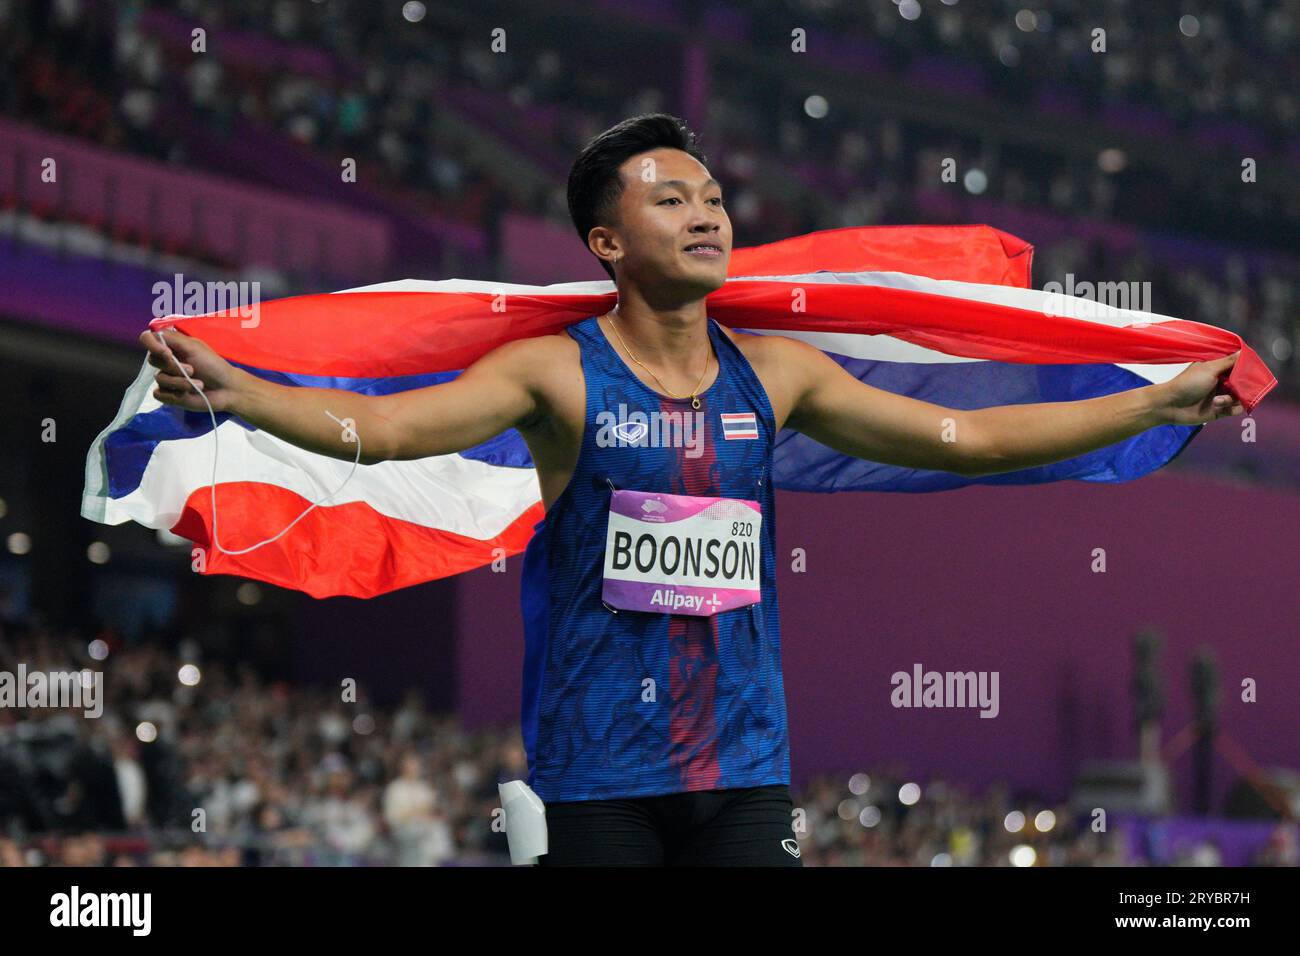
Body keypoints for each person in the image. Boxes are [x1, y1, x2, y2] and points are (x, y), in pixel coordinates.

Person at [139, 113, 1245, 866]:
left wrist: (1148, 405)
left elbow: (970, 436)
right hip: (598, 778)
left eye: (714, 196)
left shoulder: (776, 369)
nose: (708, 213)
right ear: (609, 240)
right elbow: (377, 430)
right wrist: (240, 392)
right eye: (673, 200)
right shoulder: (554, 372)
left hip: (747, 770)